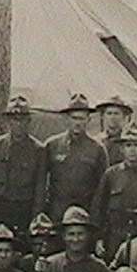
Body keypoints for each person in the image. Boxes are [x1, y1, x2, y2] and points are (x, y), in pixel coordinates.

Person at [91, 122, 137, 261]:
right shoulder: (111, 175)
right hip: (114, 238)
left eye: (136, 145)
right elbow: (98, 208)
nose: (132, 150)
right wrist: (98, 238)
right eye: (128, 145)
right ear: (122, 148)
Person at [0, 95, 46, 233]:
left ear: (29, 121)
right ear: (8, 121)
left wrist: (36, 216)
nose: (18, 124)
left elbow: (40, 187)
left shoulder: (38, 149)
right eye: (14, 120)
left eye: (22, 120)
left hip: (24, 210)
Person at [44, 93, 108, 222]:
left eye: (82, 119)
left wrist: (96, 218)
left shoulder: (98, 149)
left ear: (88, 120)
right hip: (57, 213)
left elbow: (102, 189)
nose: (78, 123)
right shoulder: (52, 145)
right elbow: (41, 182)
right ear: (67, 119)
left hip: (85, 213)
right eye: (74, 118)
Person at [93, 95, 133, 167]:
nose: (112, 117)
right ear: (103, 116)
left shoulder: (129, 140)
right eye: (109, 113)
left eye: (116, 113)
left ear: (123, 117)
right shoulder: (96, 142)